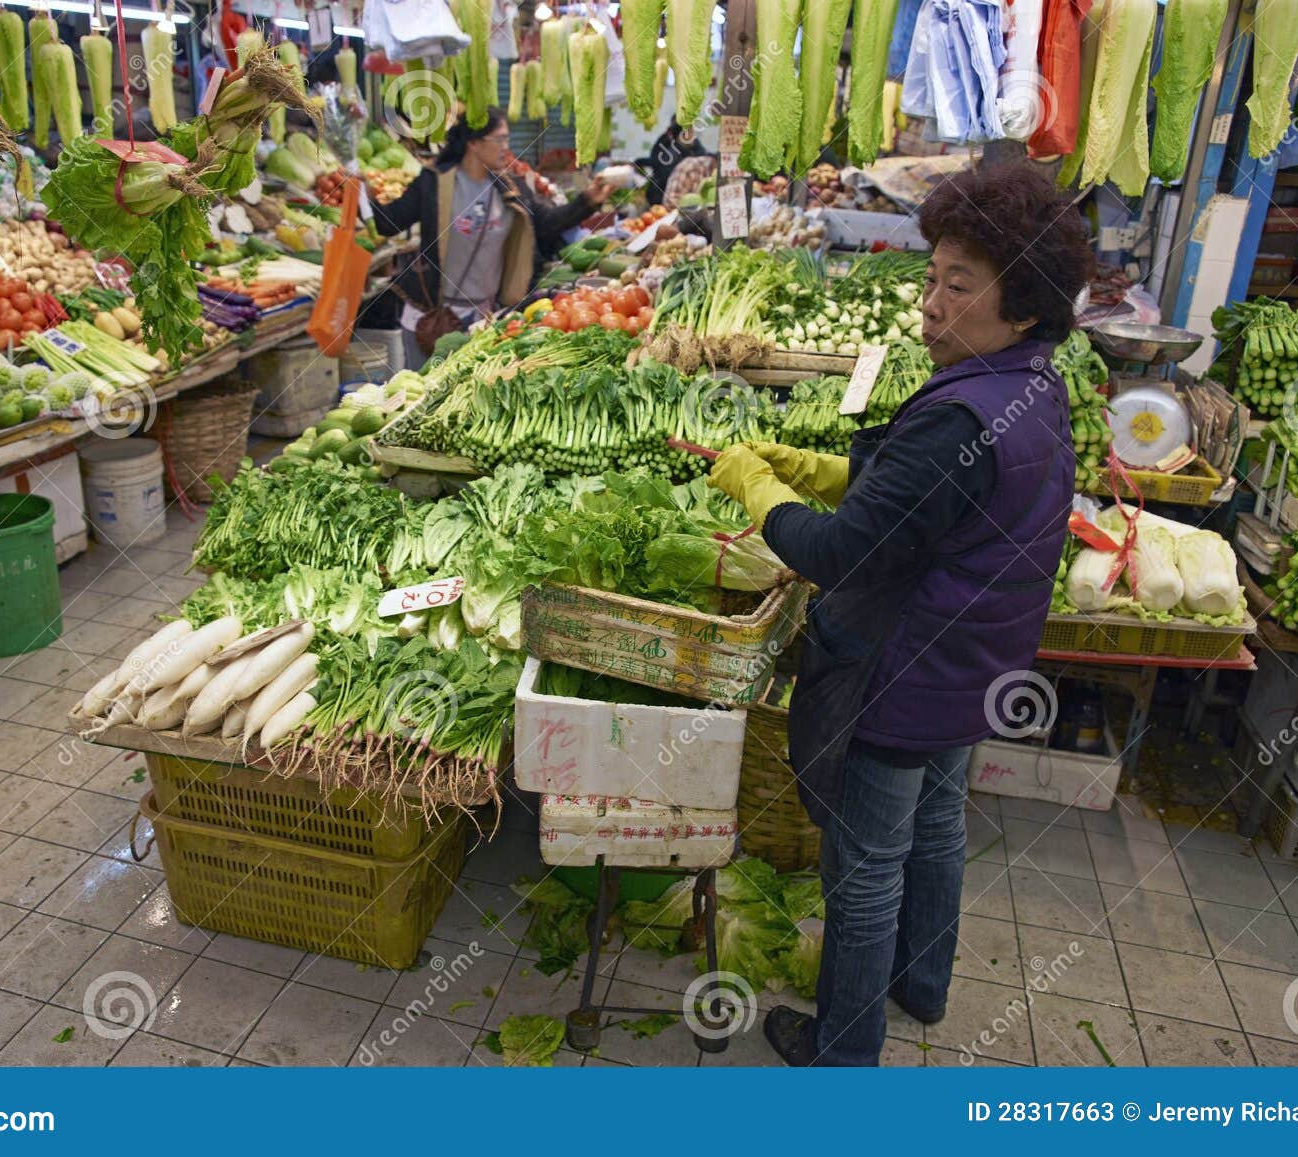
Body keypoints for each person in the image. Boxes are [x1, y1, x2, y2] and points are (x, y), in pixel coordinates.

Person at [706, 162, 1093, 1067]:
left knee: (868, 864)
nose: (929, 303)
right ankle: (922, 986)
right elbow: (943, 503)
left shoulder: (962, 414)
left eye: (958, 286)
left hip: (906, 674)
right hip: (977, 667)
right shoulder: (1029, 387)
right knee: (939, 825)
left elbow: (843, 554)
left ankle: (844, 1052)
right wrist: (829, 470)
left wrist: (762, 491)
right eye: (931, 278)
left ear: (1023, 305)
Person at [370, 106, 610, 366]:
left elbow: (545, 224)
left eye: (506, 139)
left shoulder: (509, 189)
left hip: (483, 321)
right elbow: (388, 222)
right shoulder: (434, 183)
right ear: (473, 143)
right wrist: (359, 192)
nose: (505, 147)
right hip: (431, 320)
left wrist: (587, 201)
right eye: (499, 139)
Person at [644, 119, 707, 205]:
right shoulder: (670, 154)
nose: (694, 136)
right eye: (691, 132)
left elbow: (704, 156)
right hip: (662, 201)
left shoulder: (692, 148)